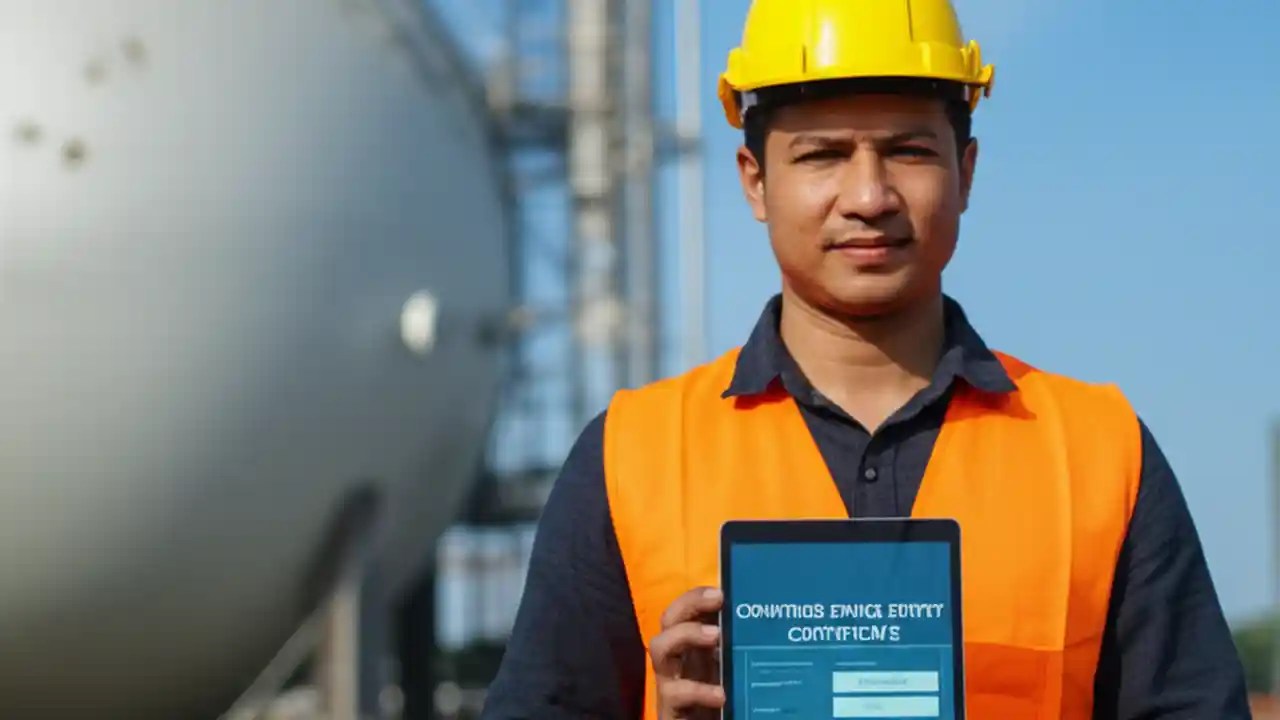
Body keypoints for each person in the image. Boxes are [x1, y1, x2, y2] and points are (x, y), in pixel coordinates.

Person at [480, 0, 1251, 718]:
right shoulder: (630, 457)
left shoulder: (1099, 453)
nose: (869, 194)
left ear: (967, 171)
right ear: (756, 182)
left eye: (908, 150)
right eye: (822, 155)